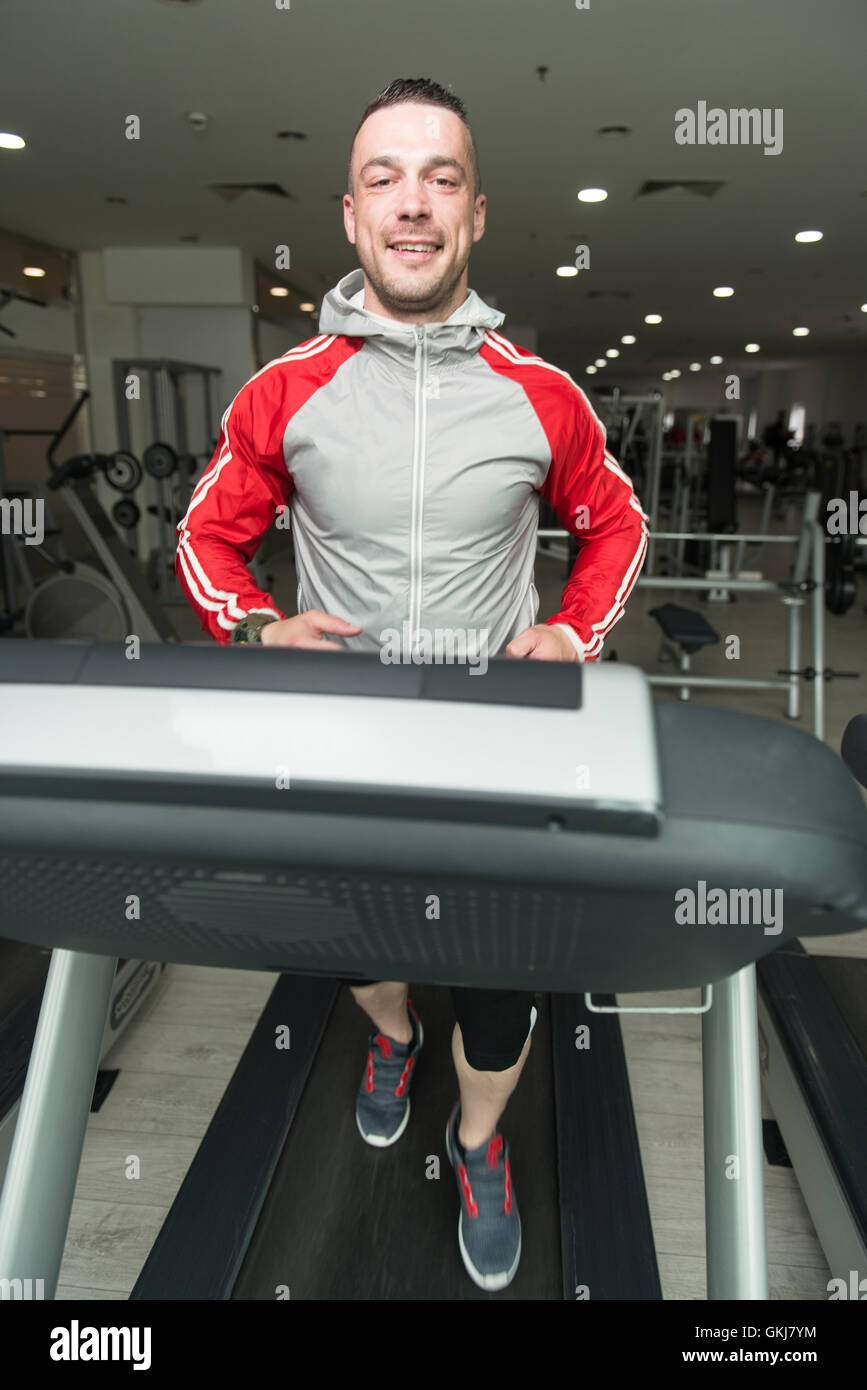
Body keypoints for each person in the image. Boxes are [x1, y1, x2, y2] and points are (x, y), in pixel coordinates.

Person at [175, 77, 649, 1293]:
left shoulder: (541, 395)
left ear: (477, 212)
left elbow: (616, 521)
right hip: (345, 747)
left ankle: (477, 1137)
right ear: (350, 213)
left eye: (441, 177)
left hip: (495, 750)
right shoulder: (287, 390)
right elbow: (204, 541)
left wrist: (573, 634)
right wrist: (260, 628)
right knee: (365, 956)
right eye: (386, 177)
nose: (414, 203)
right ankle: (390, 1040)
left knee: (499, 996)